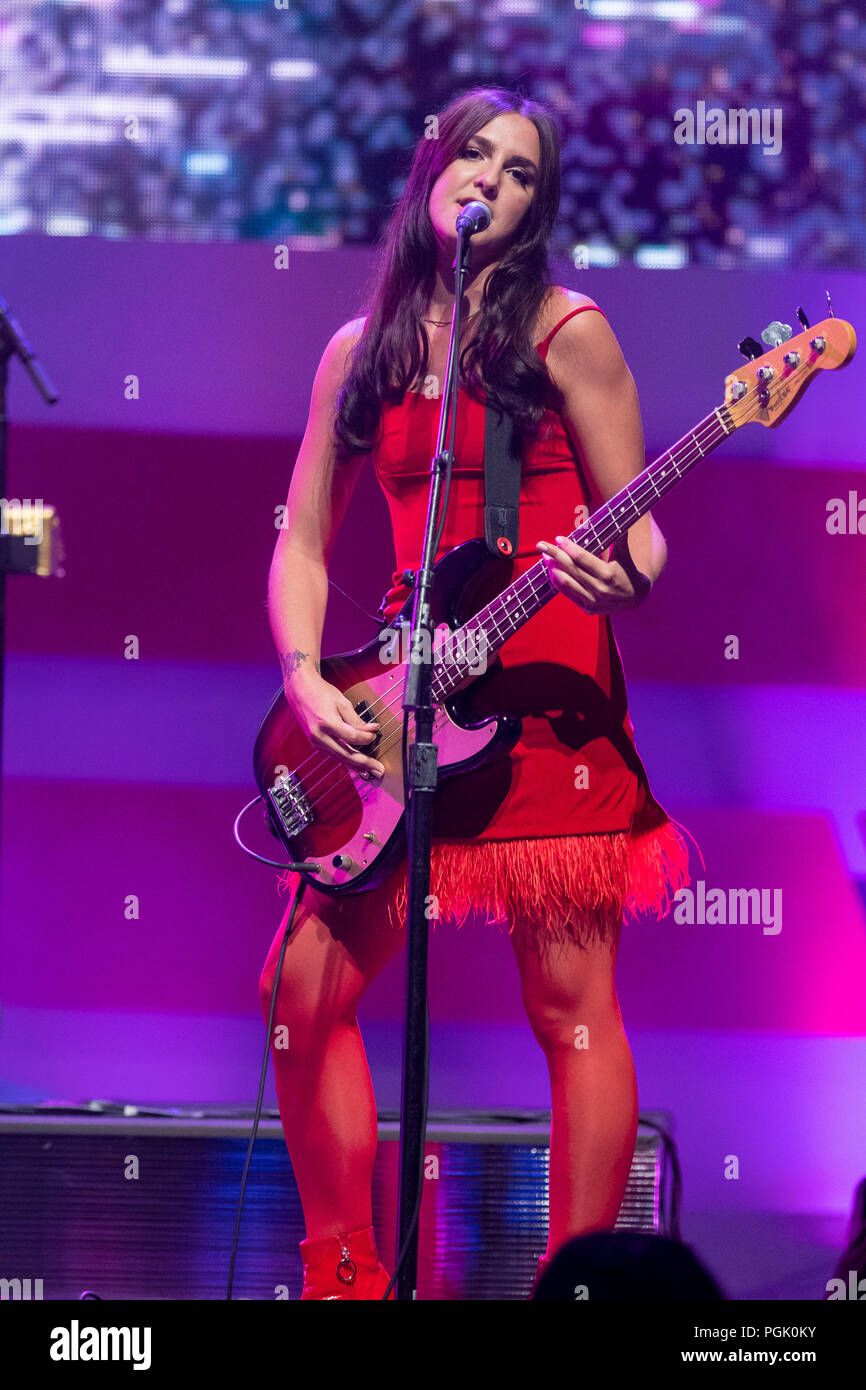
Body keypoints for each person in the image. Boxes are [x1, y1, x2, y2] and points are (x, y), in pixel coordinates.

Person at [259, 85, 693, 1301]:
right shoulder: (363, 354)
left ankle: (579, 1291)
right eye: (474, 158)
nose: (489, 182)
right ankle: (341, 1274)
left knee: (568, 1007)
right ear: (430, 169)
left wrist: (626, 579)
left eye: (518, 172)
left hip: (547, 701)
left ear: (534, 205)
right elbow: (301, 542)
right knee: (300, 990)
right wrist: (303, 676)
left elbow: (641, 532)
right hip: (406, 710)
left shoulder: (568, 329)